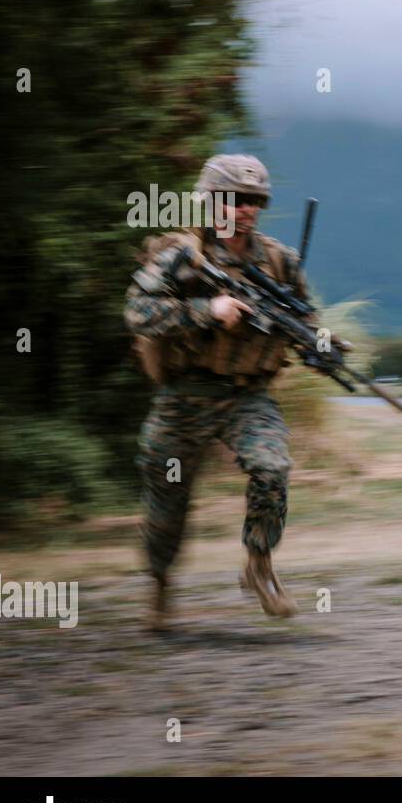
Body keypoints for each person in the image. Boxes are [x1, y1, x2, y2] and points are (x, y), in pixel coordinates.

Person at [125, 154, 315, 630]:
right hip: (185, 395)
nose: (246, 209)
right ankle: (160, 585)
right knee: (167, 499)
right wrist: (208, 309)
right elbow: (138, 311)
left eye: (254, 200)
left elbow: (307, 319)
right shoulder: (182, 255)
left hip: (246, 397)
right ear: (212, 202)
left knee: (272, 467)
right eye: (236, 199)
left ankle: (259, 564)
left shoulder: (279, 261)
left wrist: (319, 344)